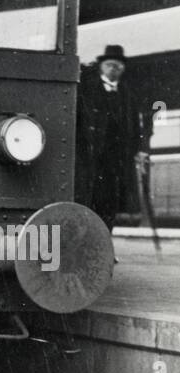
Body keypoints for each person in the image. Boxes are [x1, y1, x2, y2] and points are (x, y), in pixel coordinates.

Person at [75, 44, 148, 232]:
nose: (113, 69)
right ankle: (85, 243)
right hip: (90, 159)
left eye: (117, 65)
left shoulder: (128, 95)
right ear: (102, 67)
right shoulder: (87, 89)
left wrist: (140, 149)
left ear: (122, 68)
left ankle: (105, 242)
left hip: (115, 163)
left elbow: (136, 126)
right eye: (109, 65)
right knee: (86, 201)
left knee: (110, 205)